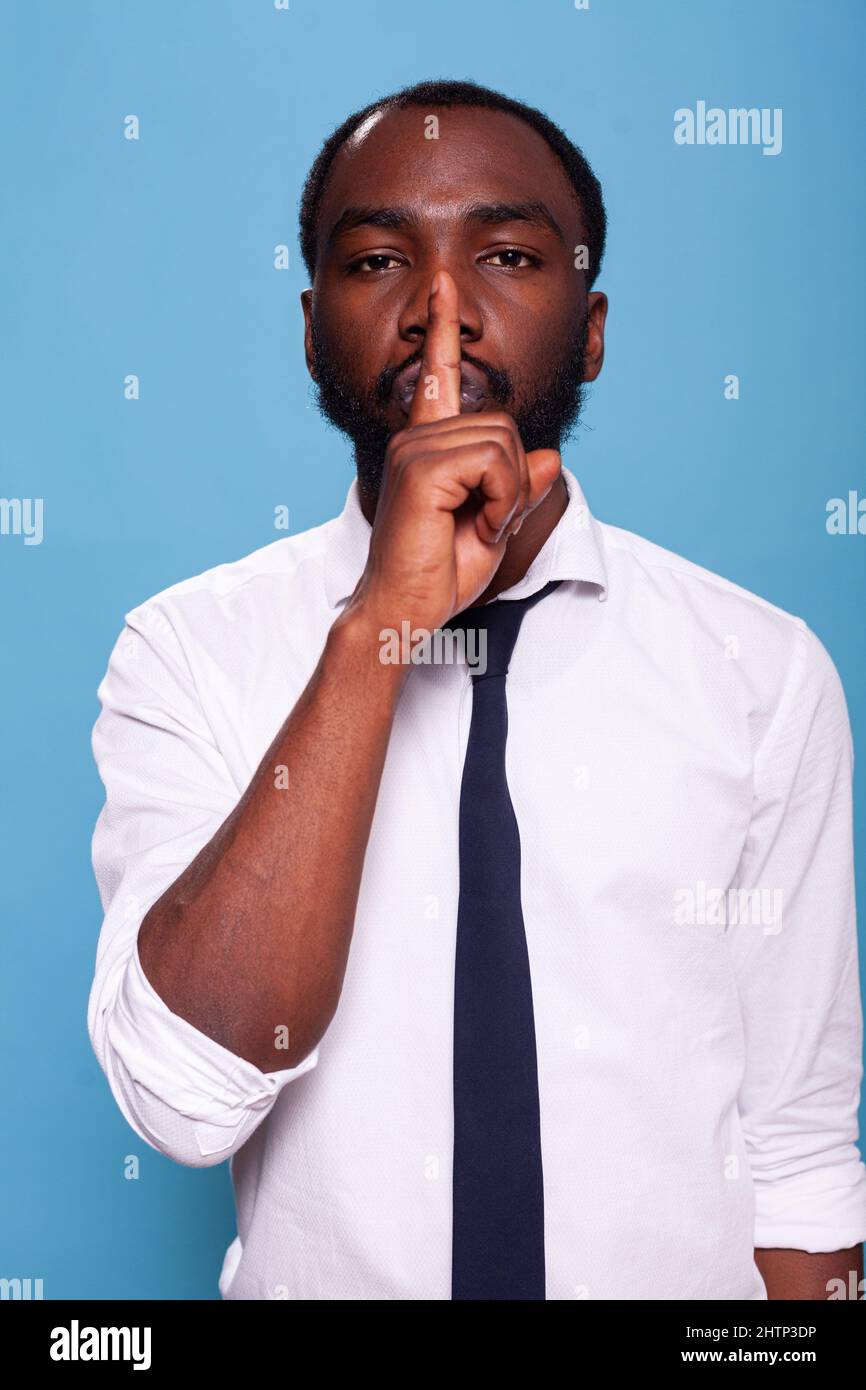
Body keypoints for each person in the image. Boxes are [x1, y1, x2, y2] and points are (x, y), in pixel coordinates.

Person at [87, 78, 866, 1300]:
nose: (438, 310)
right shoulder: (188, 649)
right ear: (308, 328)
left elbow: (798, 1147)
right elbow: (186, 1102)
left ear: (592, 326)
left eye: (505, 253)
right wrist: (377, 628)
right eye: (377, 260)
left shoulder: (760, 673)